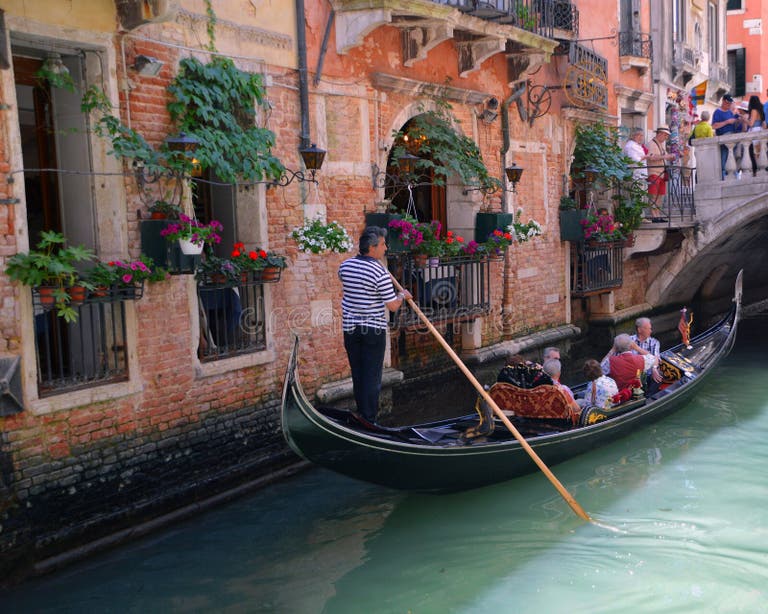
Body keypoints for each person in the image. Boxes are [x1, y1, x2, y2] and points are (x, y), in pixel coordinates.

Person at [338, 226, 412, 422]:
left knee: (358, 373)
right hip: (373, 330)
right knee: (372, 376)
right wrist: (402, 295)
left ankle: (362, 413)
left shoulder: (345, 266)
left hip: (350, 330)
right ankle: (369, 419)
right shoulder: (379, 272)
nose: (386, 248)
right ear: (372, 247)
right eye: (382, 244)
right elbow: (393, 306)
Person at [645, 126, 675, 222]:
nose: (666, 138)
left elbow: (663, 156)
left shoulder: (661, 145)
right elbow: (651, 157)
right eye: (665, 135)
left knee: (660, 196)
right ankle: (654, 216)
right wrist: (666, 156)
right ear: (660, 134)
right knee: (653, 195)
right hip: (653, 173)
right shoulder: (651, 144)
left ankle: (657, 215)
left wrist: (670, 157)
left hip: (661, 174)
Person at [631, 317, 662, 392]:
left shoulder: (654, 342)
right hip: (632, 375)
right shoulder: (629, 340)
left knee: (658, 375)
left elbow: (655, 358)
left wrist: (654, 368)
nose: (651, 331)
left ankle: (648, 398)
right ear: (639, 330)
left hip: (648, 375)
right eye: (648, 329)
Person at [712, 94, 739, 179]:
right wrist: (727, 122)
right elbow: (714, 126)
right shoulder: (717, 112)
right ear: (723, 101)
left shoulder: (730, 112)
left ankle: (734, 177)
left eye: (730, 103)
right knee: (723, 161)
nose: (729, 105)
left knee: (733, 159)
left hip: (732, 139)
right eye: (727, 103)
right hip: (723, 140)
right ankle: (723, 178)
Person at [746, 95, 765, 175]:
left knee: (756, 153)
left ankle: (756, 171)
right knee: (758, 152)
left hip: (755, 132)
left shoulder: (754, 110)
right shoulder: (761, 110)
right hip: (760, 130)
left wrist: (744, 119)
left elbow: (751, 124)